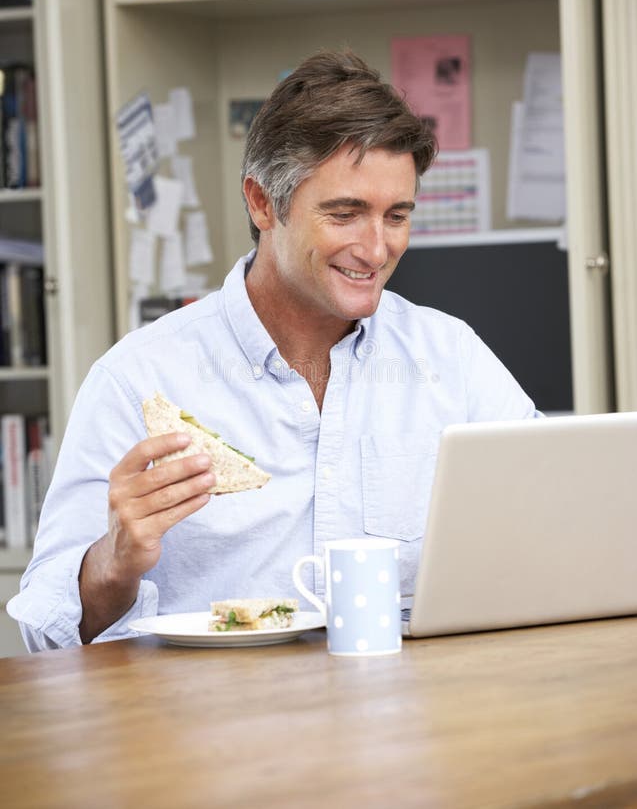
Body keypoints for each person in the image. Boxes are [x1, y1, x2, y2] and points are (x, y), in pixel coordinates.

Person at [9, 50, 540, 651]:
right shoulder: (138, 379)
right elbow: (44, 640)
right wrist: (114, 560)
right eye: (345, 213)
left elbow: (553, 519)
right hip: (209, 730)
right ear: (263, 203)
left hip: (410, 718)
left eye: (397, 216)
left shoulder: (453, 359)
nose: (376, 247)